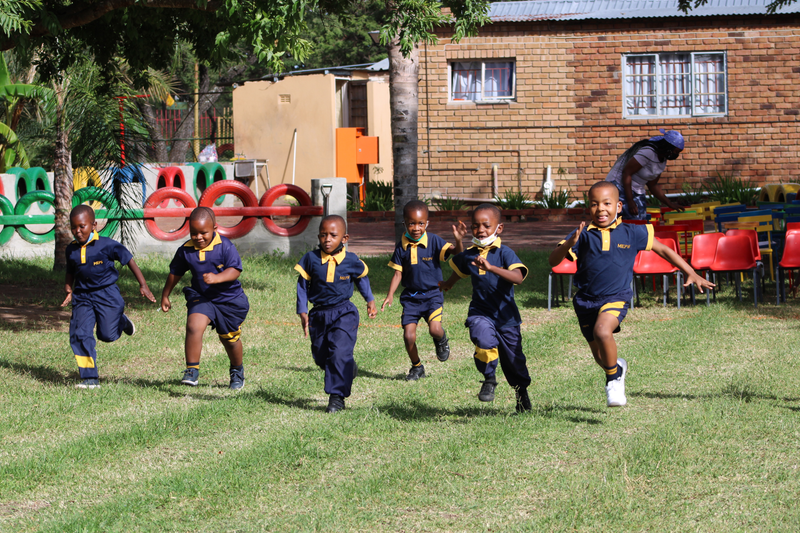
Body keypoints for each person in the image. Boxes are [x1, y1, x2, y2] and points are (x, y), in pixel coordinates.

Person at [549, 182, 714, 407]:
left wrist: (691, 272)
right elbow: (553, 260)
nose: (601, 209)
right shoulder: (582, 234)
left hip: (616, 296)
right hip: (585, 300)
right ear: (589, 207)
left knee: (602, 331)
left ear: (619, 206)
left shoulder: (633, 232)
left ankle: (613, 381)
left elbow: (664, 250)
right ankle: (618, 368)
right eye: (595, 204)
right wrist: (569, 243)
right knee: (600, 357)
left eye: (607, 203)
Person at [440, 204, 532, 412]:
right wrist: (447, 283)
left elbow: (518, 277)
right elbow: (460, 268)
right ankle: (489, 379)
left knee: (514, 362)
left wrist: (492, 268)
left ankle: (521, 393)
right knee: (482, 339)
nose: (480, 230)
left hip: (506, 317)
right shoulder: (471, 253)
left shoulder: (505, 253)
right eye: (475, 226)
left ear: (499, 228)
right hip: (480, 312)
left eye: (486, 225)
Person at [61, 205, 156, 389]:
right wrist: (68, 288)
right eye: (73, 227)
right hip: (82, 296)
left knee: (107, 335)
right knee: (80, 334)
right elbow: (70, 271)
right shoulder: (71, 249)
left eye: (82, 226)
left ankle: (121, 321)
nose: (77, 231)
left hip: (107, 294)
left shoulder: (106, 245)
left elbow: (128, 259)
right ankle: (90, 378)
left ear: (93, 225)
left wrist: (143, 285)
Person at [161, 207, 249, 390]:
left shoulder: (224, 245)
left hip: (228, 300)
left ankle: (237, 370)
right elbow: (175, 272)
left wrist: (217, 278)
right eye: (194, 233)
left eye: (203, 233)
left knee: (229, 339)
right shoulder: (186, 250)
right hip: (202, 297)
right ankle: (192, 370)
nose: (198, 237)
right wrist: (165, 294)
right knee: (194, 325)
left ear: (214, 228)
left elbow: (235, 270)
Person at [295, 215, 377, 413]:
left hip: (344, 312)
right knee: (321, 357)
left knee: (339, 353)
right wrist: (303, 311)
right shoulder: (311, 259)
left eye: (333, 235)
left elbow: (362, 279)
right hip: (318, 315)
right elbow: (302, 286)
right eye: (323, 235)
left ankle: (336, 398)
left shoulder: (351, 260)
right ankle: (349, 368)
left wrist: (370, 301)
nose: (327, 239)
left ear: (344, 238)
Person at [381, 200, 467, 381]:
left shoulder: (434, 241)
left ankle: (441, 340)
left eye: (421, 223)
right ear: (404, 223)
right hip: (411, 298)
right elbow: (397, 273)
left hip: (432, 295)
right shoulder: (401, 245)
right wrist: (390, 295)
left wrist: (458, 240)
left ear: (427, 223)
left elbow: (457, 253)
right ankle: (417, 367)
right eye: (411, 223)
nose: (416, 228)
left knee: (435, 330)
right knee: (408, 336)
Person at [605, 128, 686, 220]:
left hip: (636, 189)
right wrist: (630, 201)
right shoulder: (648, 152)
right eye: (676, 151)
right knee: (631, 219)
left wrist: (669, 203)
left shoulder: (662, 160)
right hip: (619, 186)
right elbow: (627, 173)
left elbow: (653, 185)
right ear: (668, 147)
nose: (676, 155)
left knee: (641, 219)